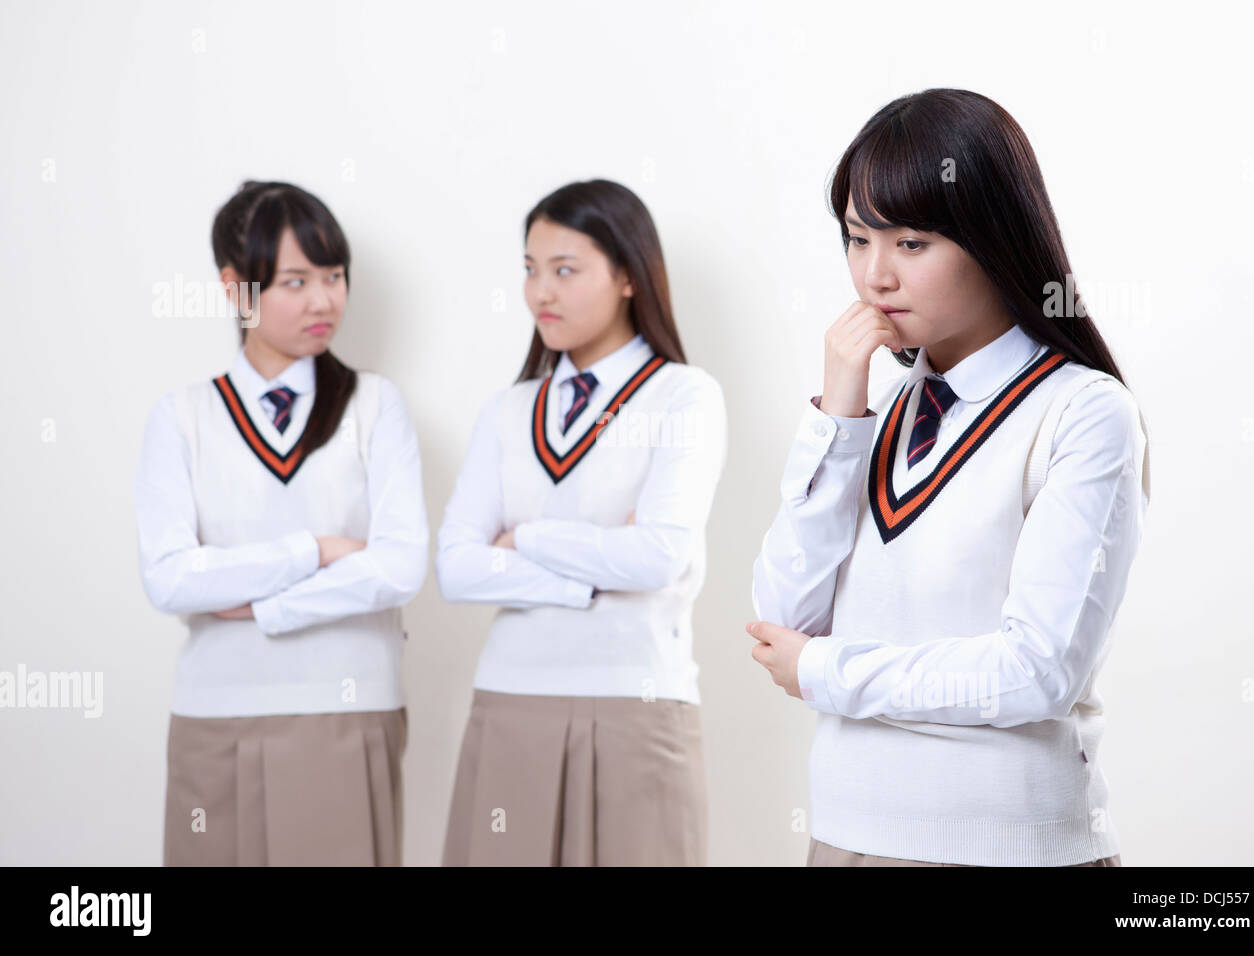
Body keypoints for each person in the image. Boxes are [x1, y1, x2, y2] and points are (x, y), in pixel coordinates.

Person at [749, 89, 1151, 867]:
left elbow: (1033, 671)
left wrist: (828, 671)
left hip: (1005, 849)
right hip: (842, 838)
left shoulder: (1081, 413)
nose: (875, 277)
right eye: (857, 240)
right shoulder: (878, 414)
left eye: (911, 243)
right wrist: (838, 413)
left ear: (995, 237)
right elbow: (781, 615)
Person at [134, 180, 428, 865]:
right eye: (296, 281)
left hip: (350, 709)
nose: (325, 300)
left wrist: (258, 604)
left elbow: (399, 566)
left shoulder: (376, 407)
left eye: (334, 275)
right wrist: (316, 550)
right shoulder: (181, 419)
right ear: (236, 288)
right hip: (217, 717)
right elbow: (171, 580)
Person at [437, 179, 727, 866]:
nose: (542, 293)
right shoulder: (509, 409)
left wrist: (525, 539)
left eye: (565, 270)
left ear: (627, 275)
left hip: (637, 705)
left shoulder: (684, 396)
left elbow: (658, 557)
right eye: (532, 271)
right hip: (509, 703)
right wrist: (594, 573)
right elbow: (454, 567)